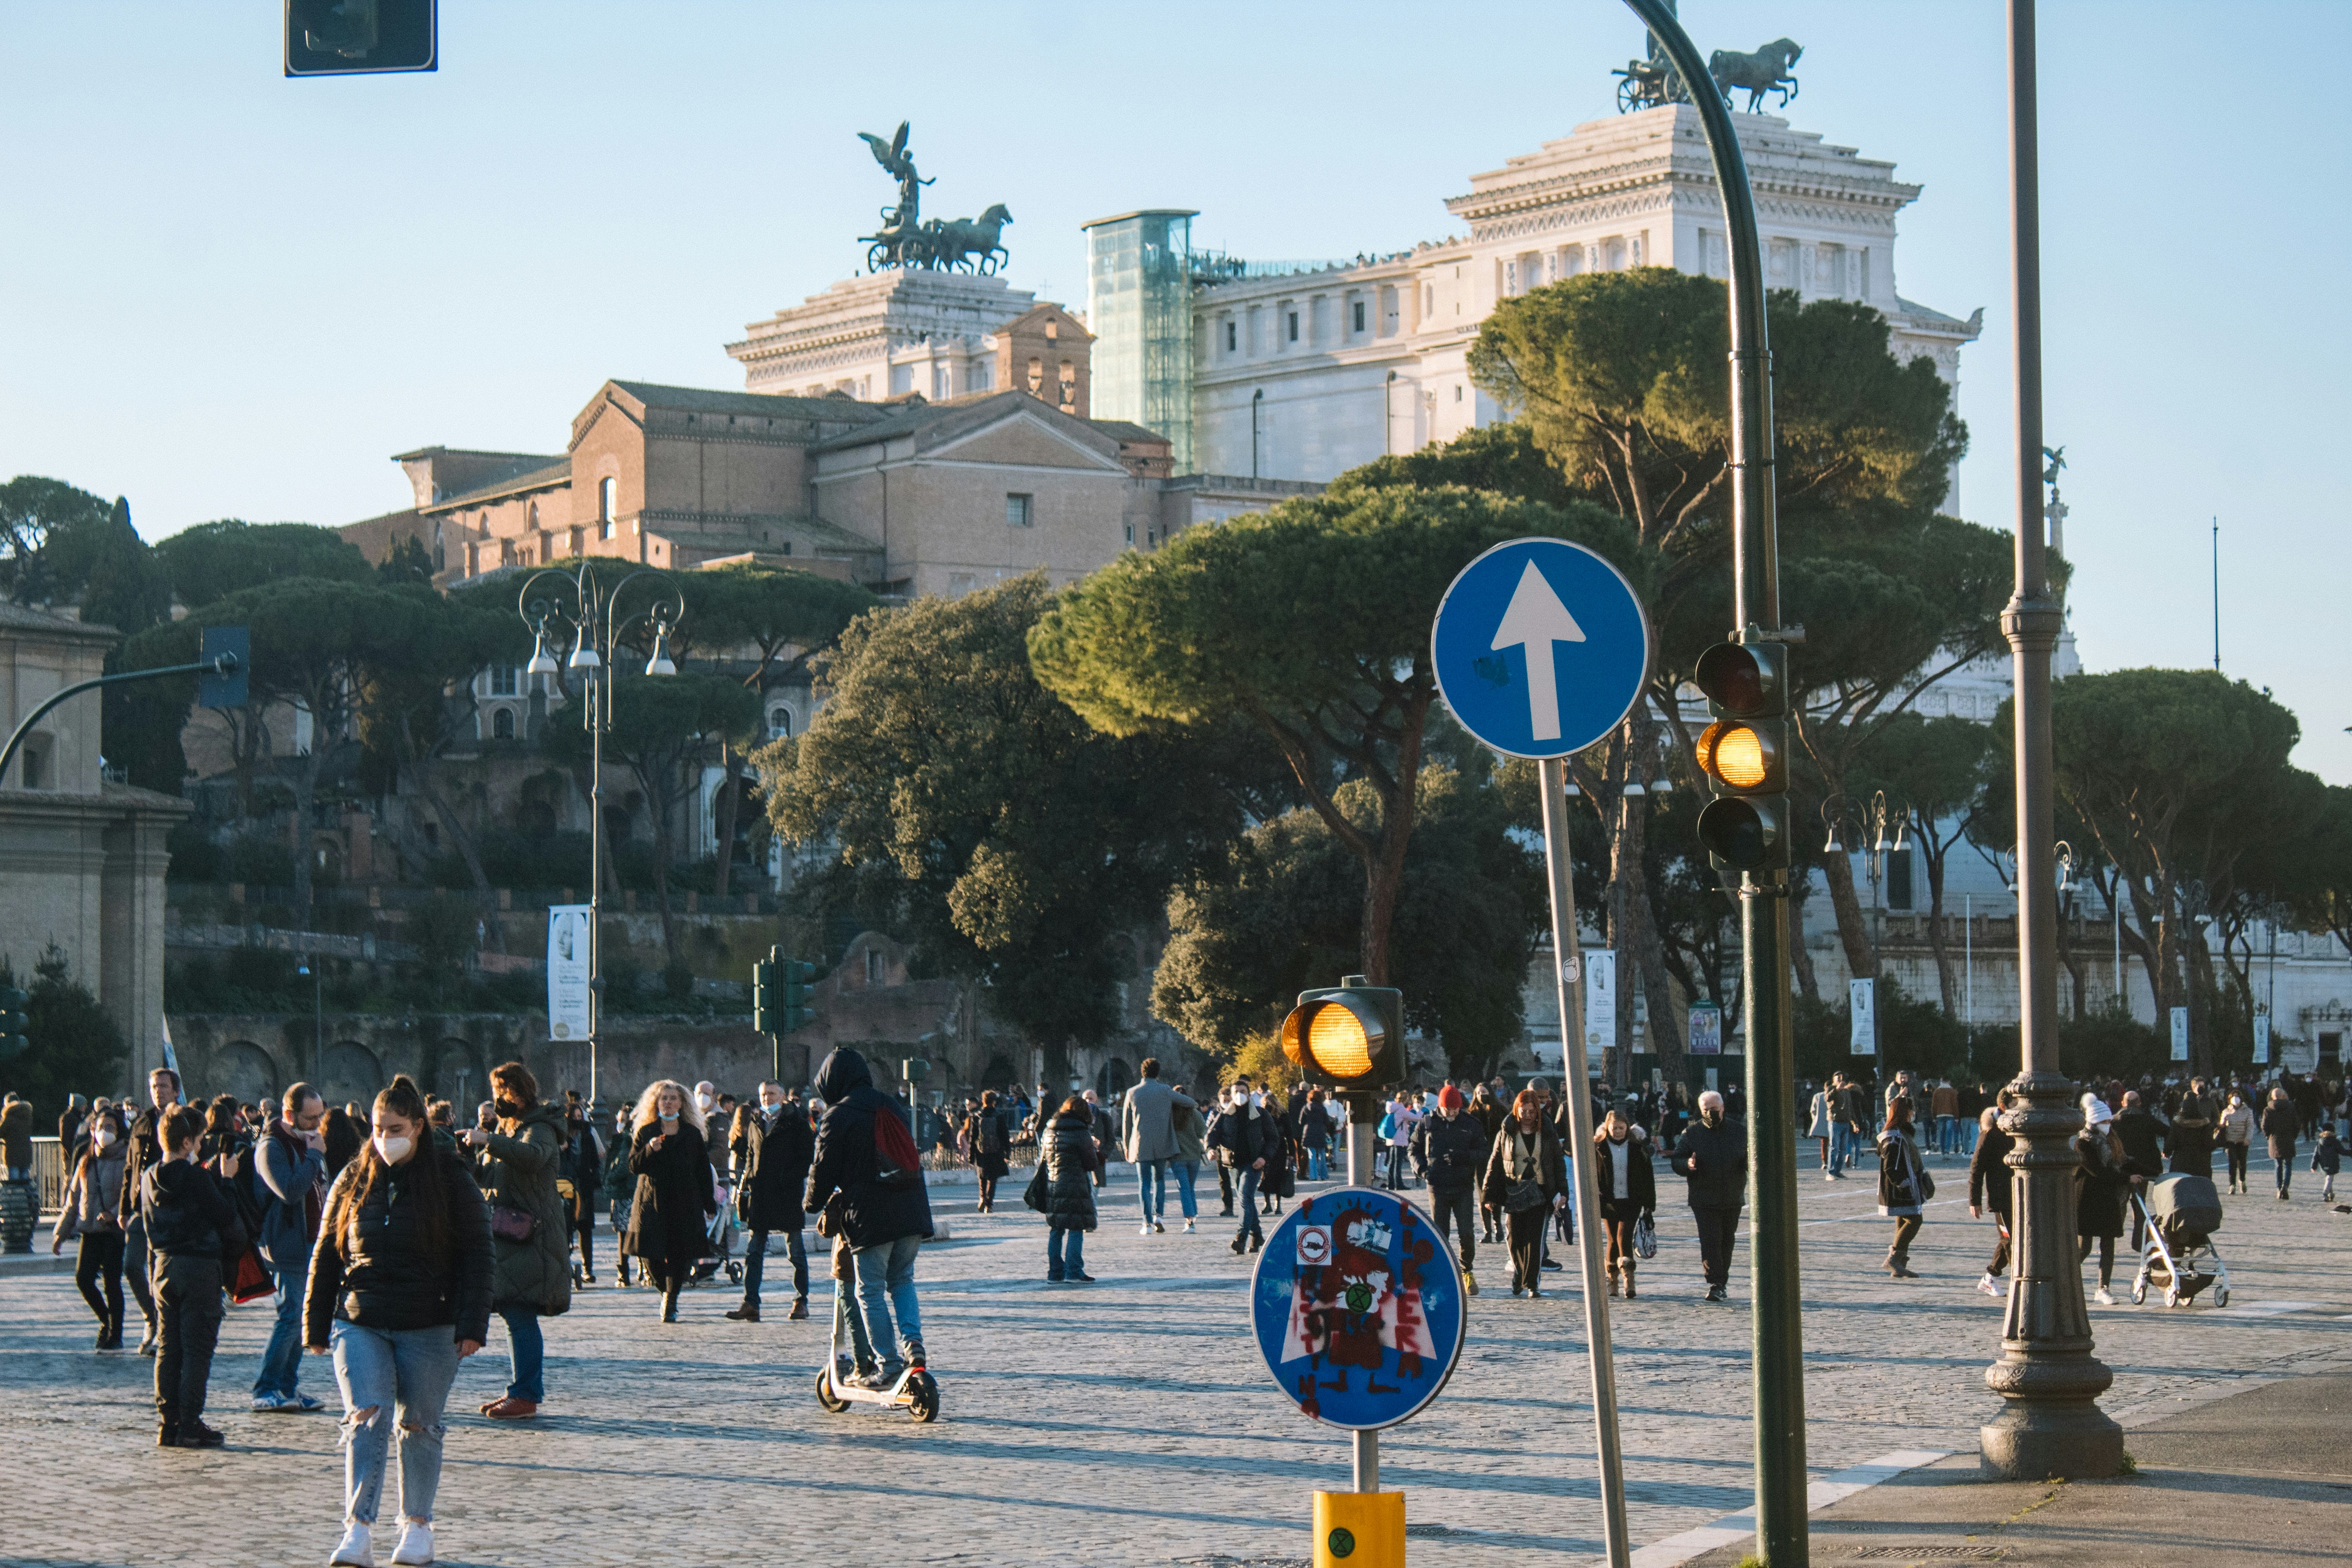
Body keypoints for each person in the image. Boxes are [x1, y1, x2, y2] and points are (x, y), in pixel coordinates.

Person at [306, 1073, 493, 1568]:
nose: (384, 1137)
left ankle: (416, 1526)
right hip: (360, 1318)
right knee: (365, 1418)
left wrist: (472, 1324)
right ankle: (357, 1530)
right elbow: (327, 1250)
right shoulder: (353, 1177)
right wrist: (315, 1323)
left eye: (394, 1128)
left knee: (419, 1426)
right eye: (376, 1127)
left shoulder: (452, 1178)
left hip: (429, 1320)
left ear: (417, 1127)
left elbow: (479, 1252)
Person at [804, 1047, 935, 1389]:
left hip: (870, 1216)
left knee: (870, 1291)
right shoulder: (891, 1104)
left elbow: (822, 1168)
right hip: (911, 1209)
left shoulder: (838, 1115)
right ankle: (913, 1345)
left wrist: (811, 1203)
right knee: (903, 1280)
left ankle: (888, 1363)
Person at [463, 1062, 569, 1418]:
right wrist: (473, 1147)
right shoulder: (513, 1128)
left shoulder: (540, 1127)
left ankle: (525, 1395)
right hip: (512, 1233)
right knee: (513, 1312)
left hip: (530, 1236)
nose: (497, 1100)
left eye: (502, 1092)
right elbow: (488, 1173)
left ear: (519, 1092)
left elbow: (533, 1158)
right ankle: (521, 1390)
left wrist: (490, 1140)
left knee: (520, 1314)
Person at [141, 1102, 242, 1449]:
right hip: (198, 1265)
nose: (200, 1146)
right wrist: (227, 1180)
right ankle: (190, 1421)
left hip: (163, 1264)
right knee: (198, 1349)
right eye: (198, 1140)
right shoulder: (197, 1176)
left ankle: (168, 1422)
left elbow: (147, 1224)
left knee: (169, 1346)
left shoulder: (149, 1176)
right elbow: (225, 1216)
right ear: (186, 1143)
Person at [251, 1081, 329, 1414]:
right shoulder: (272, 1146)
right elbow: (290, 1191)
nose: (317, 1125)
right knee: (290, 1315)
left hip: (312, 1241)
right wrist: (314, 1155)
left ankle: (287, 1386)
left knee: (301, 1317)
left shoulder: (307, 1143)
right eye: (310, 1118)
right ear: (289, 1114)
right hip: (286, 1244)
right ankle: (266, 1388)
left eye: (320, 1117)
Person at [623, 1080, 716, 1323]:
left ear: (682, 1103)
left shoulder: (692, 1134)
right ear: (656, 1103)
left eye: (673, 1098)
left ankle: (671, 1301)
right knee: (650, 1255)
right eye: (664, 1098)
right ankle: (665, 1292)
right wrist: (649, 1150)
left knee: (680, 1255)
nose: (668, 1102)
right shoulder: (647, 1131)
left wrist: (709, 1204)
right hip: (652, 1202)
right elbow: (633, 1166)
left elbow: (703, 1172)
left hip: (684, 1203)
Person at [729, 1080, 813, 1322]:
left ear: (783, 1096)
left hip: (787, 1194)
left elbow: (806, 1157)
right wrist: (751, 1180)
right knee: (754, 1251)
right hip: (761, 1195)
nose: (767, 1099)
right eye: (764, 1095)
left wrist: (788, 1177)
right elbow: (750, 1154)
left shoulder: (796, 1122)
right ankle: (750, 1302)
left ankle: (801, 1300)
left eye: (772, 1094)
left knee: (795, 1252)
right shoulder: (756, 1121)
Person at [50, 1103, 129, 1348]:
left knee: (112, 1282)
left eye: (110, 1127)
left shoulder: (127, 1157)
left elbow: (132, 1195)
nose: (104, 1132)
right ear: (92, 1130)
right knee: (83, 1279)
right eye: (100, 1127)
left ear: (119, 1131)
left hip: (113, 1232)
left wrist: (115, 1214)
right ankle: (106, 1320)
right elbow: (73, 1199)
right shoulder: (87, 1159)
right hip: (90, 1230)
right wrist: (61, 1233)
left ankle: (115, 1334)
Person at [119, 1067, 186, 1356]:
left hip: (169, 1208)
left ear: (175, 1090)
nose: (157, 1090)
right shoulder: (142, 1122)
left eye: (163, 1086)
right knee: (132, 1267)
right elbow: (129, 1168)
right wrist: (123, 1207)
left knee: (158, 1271)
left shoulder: (184, 1122)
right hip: (139, 1207)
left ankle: (164, 1330)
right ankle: (152, 1318)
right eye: (154, 1086)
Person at [1483, 1089, 1567, 1297]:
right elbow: (1495, 1161)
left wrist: (1562, 1191)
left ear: (1537, 1112)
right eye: (1524, 1111)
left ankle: (1532, 1284)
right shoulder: (1507, 1130)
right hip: (1514, 1188)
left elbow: (1558, 1162)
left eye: (1532, 1111)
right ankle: (1519, 1273)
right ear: (1517, 1110)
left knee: (1535, 1239)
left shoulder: (1547, 1131)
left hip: (1540, 1190)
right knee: (1514, 1237)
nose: (1528, 1116)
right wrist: (1489, 1193)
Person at [1669, 1089, 1747, 1302]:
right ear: (1700, 1110)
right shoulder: (1692, 1134)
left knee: (1727, 1241)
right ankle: (1716, 1283)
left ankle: (1722, 1279)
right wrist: (1688, 1164)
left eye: (1714, 1109)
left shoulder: (1739, 1131)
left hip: (1732, 1195)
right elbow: (1677, 1160)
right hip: (1703, 1198)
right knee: (1711, 1240)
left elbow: (1751, 1157)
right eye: (1706, 1110)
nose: (1711, 1113)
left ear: (1722, 1108)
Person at [1411, 1085, 1488, 1296]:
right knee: (1440, 1232)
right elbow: (1413, 1149)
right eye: (1448, 1109)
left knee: (1466, 1232)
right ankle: (1441, 1272)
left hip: (1462, 1185)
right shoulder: (1428, 1123)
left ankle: (1466, 1271)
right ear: (1440, 1107)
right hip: (1437, 1185)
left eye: (1455, 1109)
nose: (1452, 1113)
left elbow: (1483, 1151)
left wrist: (1464, 1157)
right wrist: (1422, 1171)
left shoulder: (1470, 1124)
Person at [1121, 1057, 1195, 1237]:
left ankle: (1146, 1223)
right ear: (1158, 1073)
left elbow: (1126, 1123)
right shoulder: (1165, 1091)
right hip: (1162, 1143)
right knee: (1159, 1181)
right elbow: (1190, 1103)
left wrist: (1126, 1146)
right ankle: (1158, 1216)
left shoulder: (1132, 1092)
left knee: (1144, 1184)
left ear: (1142, 1072)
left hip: (1140, 1144)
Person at [1209, 1076, 1278, 1255]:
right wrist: (1211, 1149)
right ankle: (1257, 1235)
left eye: (1243, 1092)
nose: (1239, 1095)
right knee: (1245, 1200)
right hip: (1233, 1164)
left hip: (1254, 1164)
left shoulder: (1260, 1114)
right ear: (1231, 1095)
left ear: (1249, 1094)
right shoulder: (1224, 1115)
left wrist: (1264, 1158)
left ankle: (1241, 1238)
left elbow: (1273, 1138)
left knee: (1245, 1196)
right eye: (1236, 1093)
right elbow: (1212, 1134)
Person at [1592, 1106, 1656, 1300]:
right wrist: (1595, 1190)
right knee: (1612, 1239)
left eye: (1621, 1128)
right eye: (1615, 1128)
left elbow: (1648, 1177)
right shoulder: (1599, 1148)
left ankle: (1630, 1280)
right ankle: (1612, 1281)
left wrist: (1649, 1204)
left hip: (1631, 1200)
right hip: (1608, 1201)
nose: (1618, 1132)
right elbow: (1592, 1173)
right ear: (1607, 1128)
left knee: (1624, 1237)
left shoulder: (1637, 1148)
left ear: (1627, 1128)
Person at [1040, 1094, 1101, 1282]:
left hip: (1054, 1184)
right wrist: (1097, 1151)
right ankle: (1073, 1272)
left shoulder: (1049, 1130)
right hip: (1075, 1184)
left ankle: (1055, 1273)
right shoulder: (1081, 1132)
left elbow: (1045, 1159)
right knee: (1076, 1227)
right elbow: (1091, 1164)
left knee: (1056, 1228)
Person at [2075, 1098, 2130, 1305]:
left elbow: (2123, 1162)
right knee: (2084, 1247)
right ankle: (2065, 1278)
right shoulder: (2083, 1144)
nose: (2109, 1125)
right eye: (2105, 1121)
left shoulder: (2112, 1140)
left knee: (2108, 1245)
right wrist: (2127, 1178)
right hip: (2087, 1200)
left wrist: (2150, 1171)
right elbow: (2098, 1171)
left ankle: (2103, 1288)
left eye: (2110, 1121)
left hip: (2108, 1200)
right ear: (2095, 1122)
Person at [1877, 1098, 1931, 1279]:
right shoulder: (1893, 1136)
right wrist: (1903, 1183)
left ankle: (1899, 1266)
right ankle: (1894, 1259)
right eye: (1910, 1110)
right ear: (1903, 1112)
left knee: (1902, 1222)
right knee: (1915, 1220)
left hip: (1909, 1184)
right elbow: (1890, 1167)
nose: (1913, 1113)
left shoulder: (1902, 1133)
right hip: (1901, 1189)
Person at [1968, 1104, 2016, 1297]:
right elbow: (1977, 1168)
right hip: (1999, 1196)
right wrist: (1975, 1200)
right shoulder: (1989, 1135)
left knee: (2011, 1238)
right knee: (2010, 1239)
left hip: (2016, 1194)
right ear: (2004, 1106)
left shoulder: (2013, 1131)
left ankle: (1990, 1278)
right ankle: (2019, 1279)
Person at [560, 1100, 602, 1284]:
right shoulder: (561, 1136)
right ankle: (563, 1264)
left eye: (580, 1117)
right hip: (564, 1185)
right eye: (574, 1117)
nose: (578, 1120)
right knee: (564, 1226)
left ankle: (588, 1268)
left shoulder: (586, 1135)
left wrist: (592, 1177)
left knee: (585, 1228)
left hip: (583, 1186)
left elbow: (595, 1159)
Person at [602, 1106, 637, 1286]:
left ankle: (624, 1274)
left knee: (624, 1234)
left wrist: (610, 1179)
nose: (620, 1124)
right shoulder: (634, 1138)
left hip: (625, 1191)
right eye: (619, 1120)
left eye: (623, 1120)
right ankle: (640, 1270)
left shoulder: (625, 1140)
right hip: (632, 1190)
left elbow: (623, 1165)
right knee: (634, 1231)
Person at [1166, 1080, 1206, 1233]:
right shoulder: (1194, 1112)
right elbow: (1202, 1130)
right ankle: (1193, 1215)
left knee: (1184, 1189)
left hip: (1178, 1157)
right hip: (1195, 1156)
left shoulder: (1169, 1114)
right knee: (1190, 1187)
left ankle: (1189, 1220)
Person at [965, 1090, 1012, 1213]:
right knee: (992, 1179)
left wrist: (971, 1155)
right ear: (994, 1102)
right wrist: (1007, 1152)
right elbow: (1005, 1136)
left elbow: (973, 1137)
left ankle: (982, 1198)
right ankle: (989, 1205)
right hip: (996, 1152)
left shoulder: (977, 1116)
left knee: (982, 1177)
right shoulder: (999, 1116)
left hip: (981, 1151)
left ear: (983, 1101)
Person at [2262, 1085, 2300, 1200]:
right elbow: (2297, 1125)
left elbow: (2264, 1126)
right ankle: (2286, 1186)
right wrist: (2294, 1136)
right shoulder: (2291, 1108)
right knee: (2288, 1164)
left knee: (2278, 1165)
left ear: (2273, 1097)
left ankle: (2279, 1189)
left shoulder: (2268, 1109)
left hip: (2275, 1139)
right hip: (2288, 1138)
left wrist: (2268, 1136)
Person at [2218, 1088, 2255, 1195]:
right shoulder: (2226, 1112)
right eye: (2233, 1096)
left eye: (2237, 1096)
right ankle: (2232, 1185)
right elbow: (2222, 1127)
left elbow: (2250, 1126)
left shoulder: (2248, 1112)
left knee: (2242, 1163)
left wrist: (2248, 1138)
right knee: (2232, 1163)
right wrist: (2221, 1125)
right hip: (2230, 1141)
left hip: (2243, 1141)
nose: (2235, 1098)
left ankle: (2242, 1181)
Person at [1298, 1087, 1333, 1182]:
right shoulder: (1323, 1108)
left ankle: (1313, 1176)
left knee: (1312, 1155)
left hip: (1309, 1132)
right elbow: (1327, 1121)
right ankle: (1324, 1175)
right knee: (1322, 1154)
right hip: (1320, 1132)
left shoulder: (1306, 1107)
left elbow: (1301, 1121)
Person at [1806, 1078, 1835, 1177]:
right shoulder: (1835, 1095)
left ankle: (1825, 1162)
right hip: (1833, 1121)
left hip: (1822, 1122)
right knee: (1834, 1143)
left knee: (1824, 1143)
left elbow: (1813, 1110)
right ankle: (1832, 1162)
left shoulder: (1818, 1096)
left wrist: (1816, 1119)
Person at [2312, 1122, 2342, 1202]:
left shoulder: (2320, 1142)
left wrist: (2313, 1166)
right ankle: (2325, 1193)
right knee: (2330, 1178)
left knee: (2329, 1177)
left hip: (2323, 1164)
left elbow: (2316, 1155)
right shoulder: (2335, 1142)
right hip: (2333, 1163)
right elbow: (2342, 1151)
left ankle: (2330, 1194)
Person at [1931, 1079, 1960, 1156]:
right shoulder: (1953, 1092)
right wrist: (1957, 1117)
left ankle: (1943, 1151)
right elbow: (1955, 1105)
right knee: (1949, 1133)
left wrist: (1934, 1117)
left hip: (1940, 1115)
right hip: (1950, 1115)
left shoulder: (1937, 1092)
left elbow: (1934, 1105)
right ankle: (1947, 1151)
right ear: (1949, 1082)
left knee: (1942, 1133)